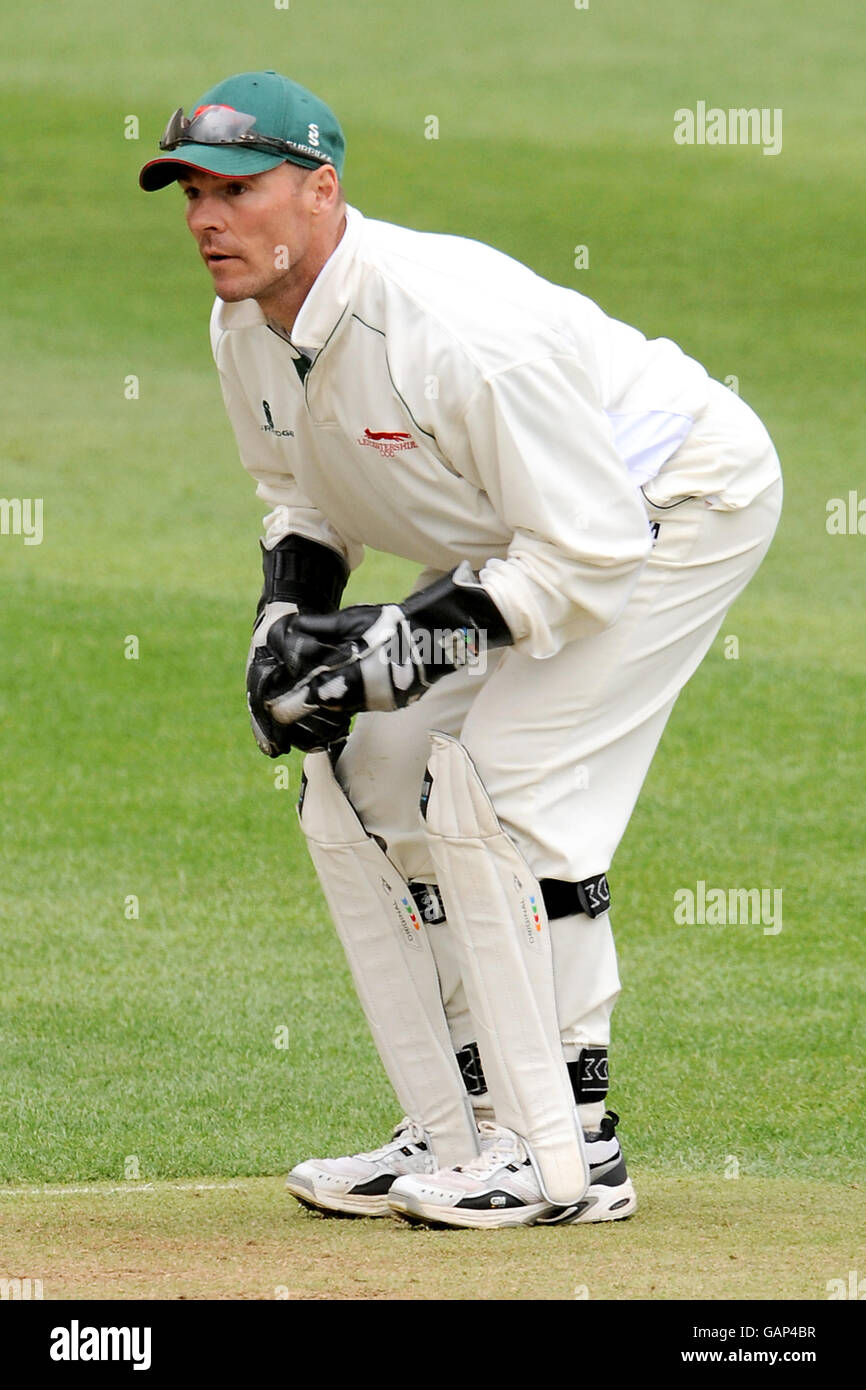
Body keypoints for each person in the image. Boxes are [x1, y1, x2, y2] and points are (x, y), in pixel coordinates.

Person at [140, 70, 783, 1230]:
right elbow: (296, 490)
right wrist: (285, 625)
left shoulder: (449, 329)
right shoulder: (245, 323)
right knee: (371, 769)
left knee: (503, 779)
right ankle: (464, 1122)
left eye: (235, 189)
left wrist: (401, 641)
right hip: (536, 525)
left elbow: (586, 549)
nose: (204, 218)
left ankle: (570, 1147)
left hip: (672, 500)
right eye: (189, 190)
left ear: (321, 190)